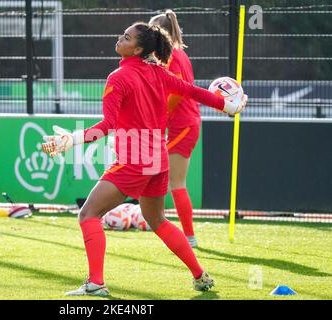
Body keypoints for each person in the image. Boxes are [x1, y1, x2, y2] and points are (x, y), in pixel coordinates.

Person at [42, 22, 247, 297]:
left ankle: (96, 284)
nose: (119, 38)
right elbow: (193, 92)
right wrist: (226, 105)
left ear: (137, 49)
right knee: (157, 219)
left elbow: (107, 126)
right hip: (157, 159)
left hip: (135, 160)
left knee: (88, 213)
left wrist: (73, 140)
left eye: (125, 37)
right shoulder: (158, 73)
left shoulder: (118, 77)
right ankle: (200, 275)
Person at [149, 10, 201, 248]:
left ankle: (189, 237)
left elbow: (179, 92)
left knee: (176, 182)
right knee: (170, 180)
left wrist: (160, 113)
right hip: (183, 123)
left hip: (183, 124)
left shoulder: (174, 57)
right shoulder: (173, 55)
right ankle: (162, 224)